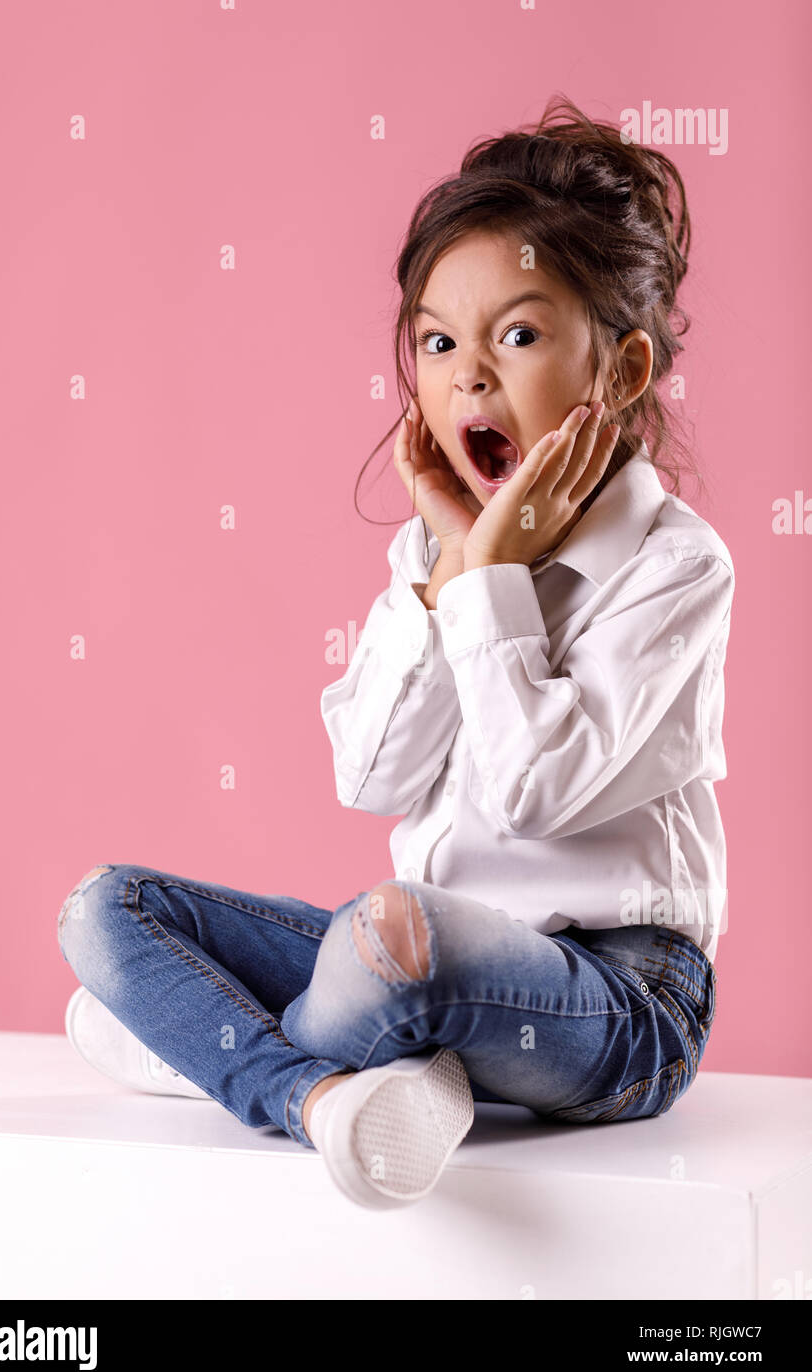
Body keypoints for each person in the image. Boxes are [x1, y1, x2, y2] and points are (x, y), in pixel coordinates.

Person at [57, 94, 732, 1211]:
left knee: (379, 938)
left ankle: (219, 1053)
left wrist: (490, 582)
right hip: (408, 957)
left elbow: (536, 795)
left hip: (618, 999)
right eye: (436, 341)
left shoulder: (674, 566)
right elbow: (368, 775)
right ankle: (326, 1099)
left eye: (516, 333)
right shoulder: (439, 554)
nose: (467, 374)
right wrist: (447, 576)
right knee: (104, 908)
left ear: (619, 372)